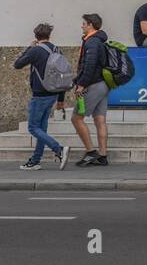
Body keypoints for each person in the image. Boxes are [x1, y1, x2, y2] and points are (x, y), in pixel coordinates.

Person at [13, 22, 70, 171]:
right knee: (41, 130)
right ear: (49, 35)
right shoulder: (57, 50)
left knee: (33, 127)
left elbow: (17, 64)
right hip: (53, 94)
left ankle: (59, 149)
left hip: (39, 96)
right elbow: (62, 76)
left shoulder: (35, 51)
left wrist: (30, 48)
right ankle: (36, 160)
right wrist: (61, 100)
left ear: (36, 36)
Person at [72, 13, 111, 167]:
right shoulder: (99, 40)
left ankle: (90, 152)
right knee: (99, 119)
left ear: (90, 25)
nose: (82, 26)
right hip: (103, 84)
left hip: (93, 85)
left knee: (76, 118)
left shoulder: (92, 42)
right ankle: (102, 155)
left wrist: (81, 84)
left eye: (84, 23)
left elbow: (89, 65)